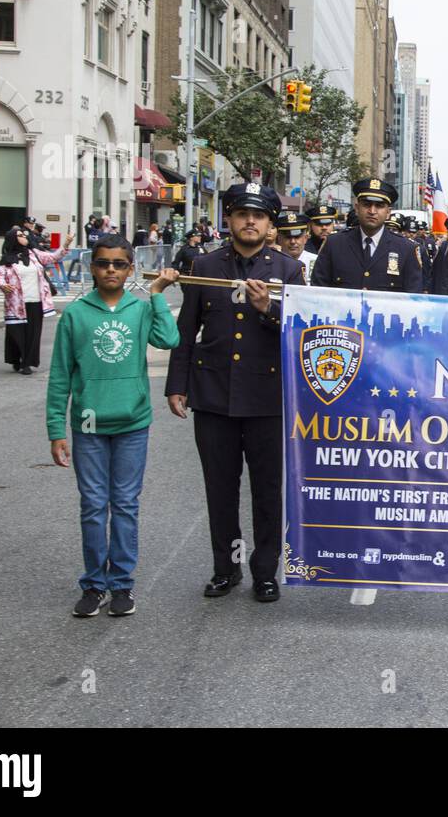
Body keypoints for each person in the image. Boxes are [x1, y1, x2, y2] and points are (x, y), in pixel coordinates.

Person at [165, 183, 307, 603]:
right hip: (214, 394)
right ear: (228, 219)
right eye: (242, 213)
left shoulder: (287, 270)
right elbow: (185, 331)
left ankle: (265, 571)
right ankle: (224, 568)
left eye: (259, 215)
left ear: (269, 225)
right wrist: (178, 384)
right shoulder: (204, 265)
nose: (250, 221)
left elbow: (303, 335)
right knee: (220, 488)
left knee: (267, 490)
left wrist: (270, 311)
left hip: (268, 398)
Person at [46, 235, 180, 617]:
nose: (110, 270)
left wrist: (157, 293)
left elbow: (169, 338)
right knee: (92, 505)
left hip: (133, 423)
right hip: (88, 425)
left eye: (119, 264)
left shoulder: (139, 310)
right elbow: (59, 376)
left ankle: (121, 583)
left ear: (129, 269)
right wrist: (56, 429)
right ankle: (93, 584)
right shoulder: (75, 314)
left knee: (124, 504)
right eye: (103, 263)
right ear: (92, 267)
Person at [310, 180, 424, 292]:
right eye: (366, 204)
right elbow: (317, 291)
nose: (372, 211)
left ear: (388, 212)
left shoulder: (406, 249)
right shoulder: (334, 244)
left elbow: (412, 299)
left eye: (379, 206)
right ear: (357, 208)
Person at [0, 226, 71, 375]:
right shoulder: (7, 259)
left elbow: (53, 257)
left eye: (24, 235)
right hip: (16, 303)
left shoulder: (34, 254)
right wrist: (4, 286)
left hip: (36, 300)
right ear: (13, 239)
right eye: (20, 235)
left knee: (33, 333)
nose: (24, 237)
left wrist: (66, 244)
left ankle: (27, 363)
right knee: (16, 332)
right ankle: (16, 358)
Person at [275, 210, 314, 281]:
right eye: (288, 237)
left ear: (305, 238)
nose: (293, 242)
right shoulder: (272, 262)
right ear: (279, 239)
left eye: (297, 237)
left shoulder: (316, 262)